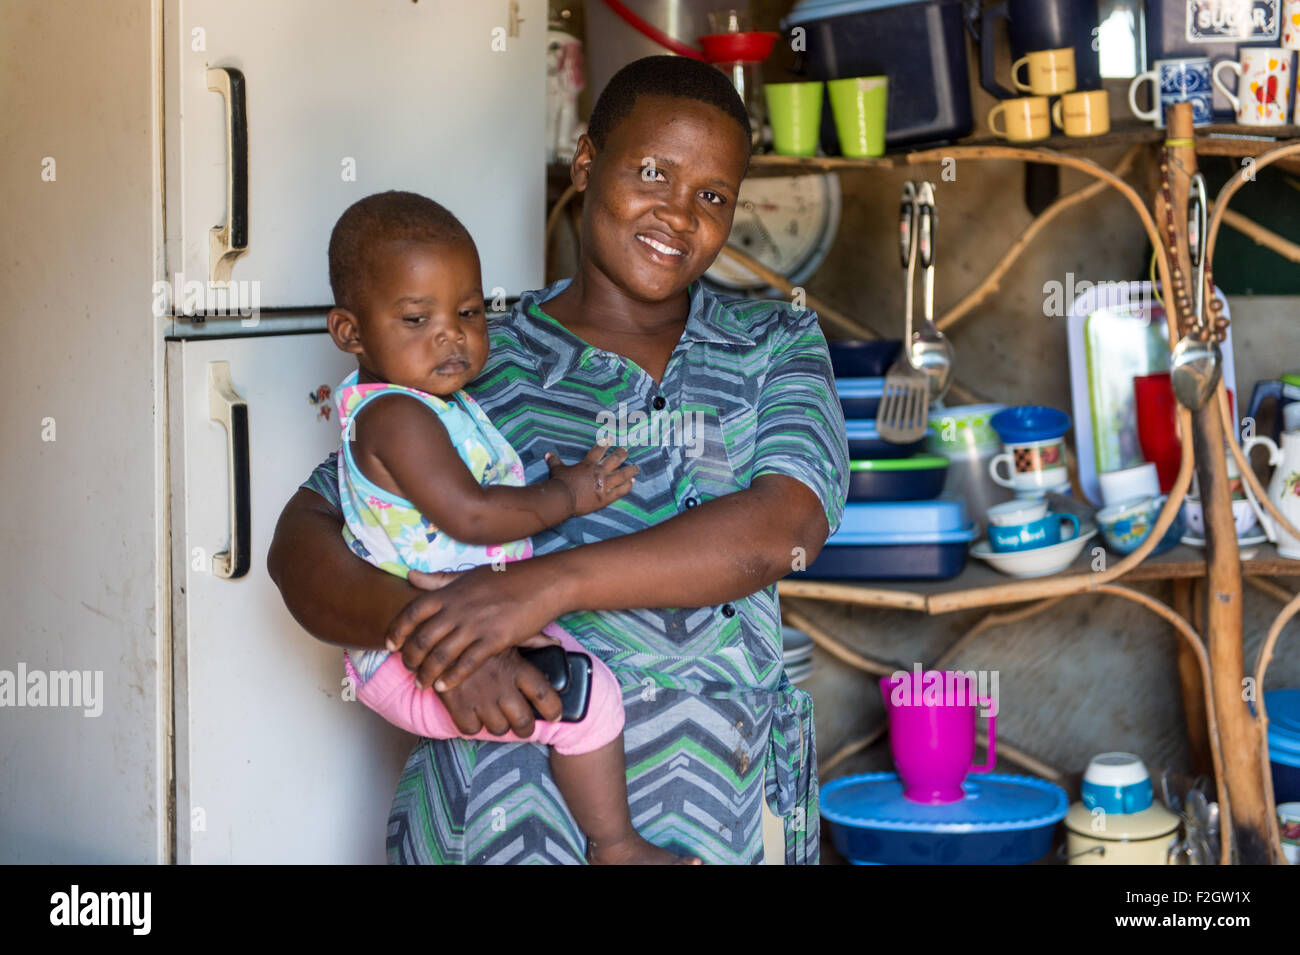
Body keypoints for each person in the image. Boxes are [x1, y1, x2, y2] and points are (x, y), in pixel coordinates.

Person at [268, 55, 849, 864]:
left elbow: (780, 527)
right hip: (497, 809)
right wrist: (437, 639)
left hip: (725, 803)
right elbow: (305, 544)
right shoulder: (468, 354)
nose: (678, 214)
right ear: (585, 163)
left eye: (711, 196)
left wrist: (537, 588)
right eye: (652, 172)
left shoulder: (774, 342)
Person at [322, 190, 695, 864]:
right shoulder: (396, 417)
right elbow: (469, 512)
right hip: (421, 649)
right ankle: (617, 843)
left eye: (468, 312)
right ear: (350, 333)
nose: (451, 335)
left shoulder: (435, 405)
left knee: (579, 691)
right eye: (416, 318)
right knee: (587, 701)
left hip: (452, 621)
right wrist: (566, 494)